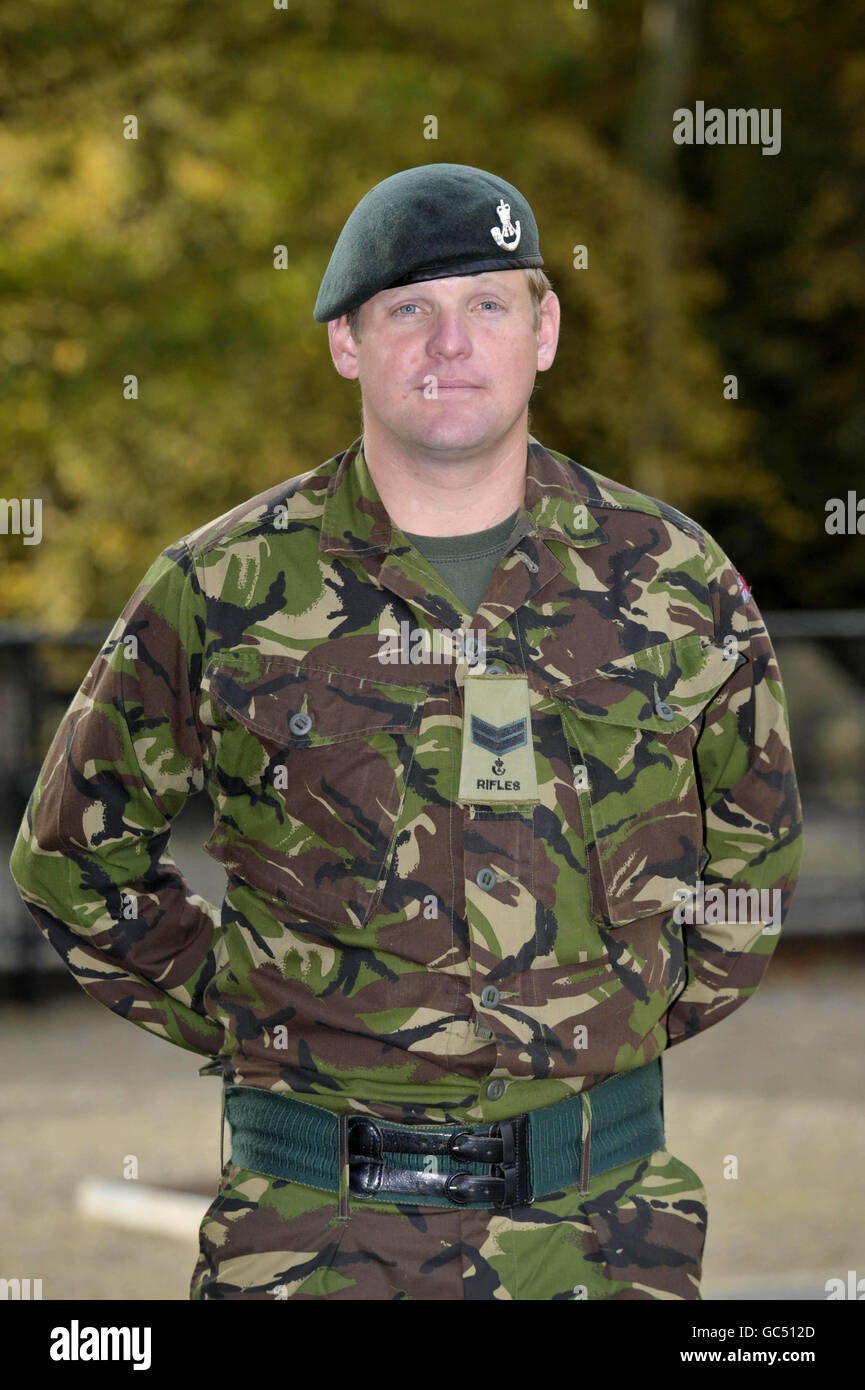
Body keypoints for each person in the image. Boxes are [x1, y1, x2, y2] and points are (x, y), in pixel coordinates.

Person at [9, 163, 804, 1301]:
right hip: (313, 1237)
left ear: (545, 330)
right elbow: (70, 860)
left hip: (603, 1236)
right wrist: (258, 1007)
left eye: (488, 302)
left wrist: (612, 1017)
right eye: (407, 309)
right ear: (346, 343)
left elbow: (753, 862)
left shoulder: (673, 582)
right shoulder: (223, 588)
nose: (450, 343)